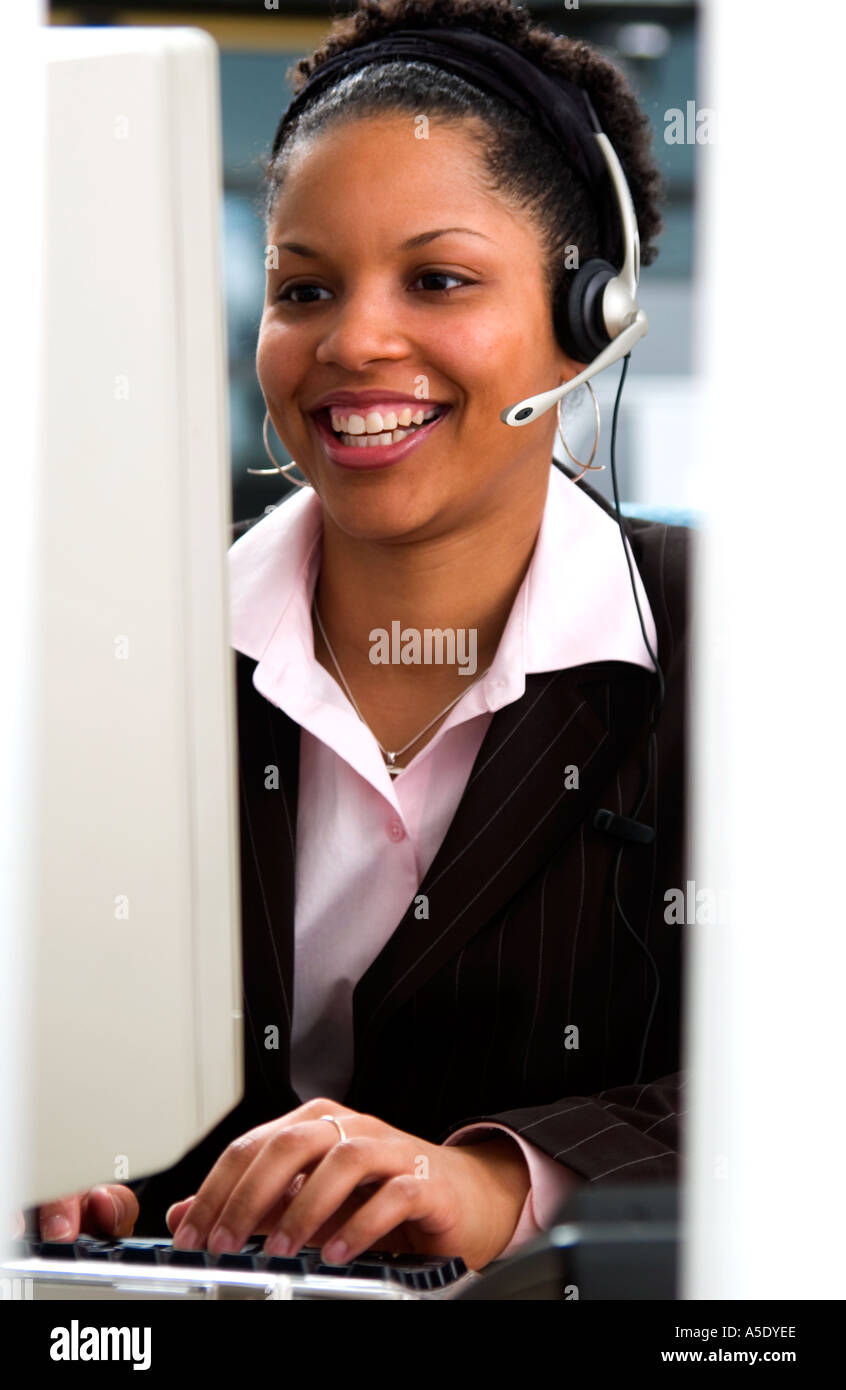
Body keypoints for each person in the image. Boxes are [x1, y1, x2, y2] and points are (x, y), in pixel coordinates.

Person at [22, 0, 689, 1273]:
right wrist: (58, 1166)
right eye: (304, 287)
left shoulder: (749, 646)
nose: (353, 342)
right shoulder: (115, 663)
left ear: (589, 312)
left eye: (437, 279)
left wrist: (506, 1179)